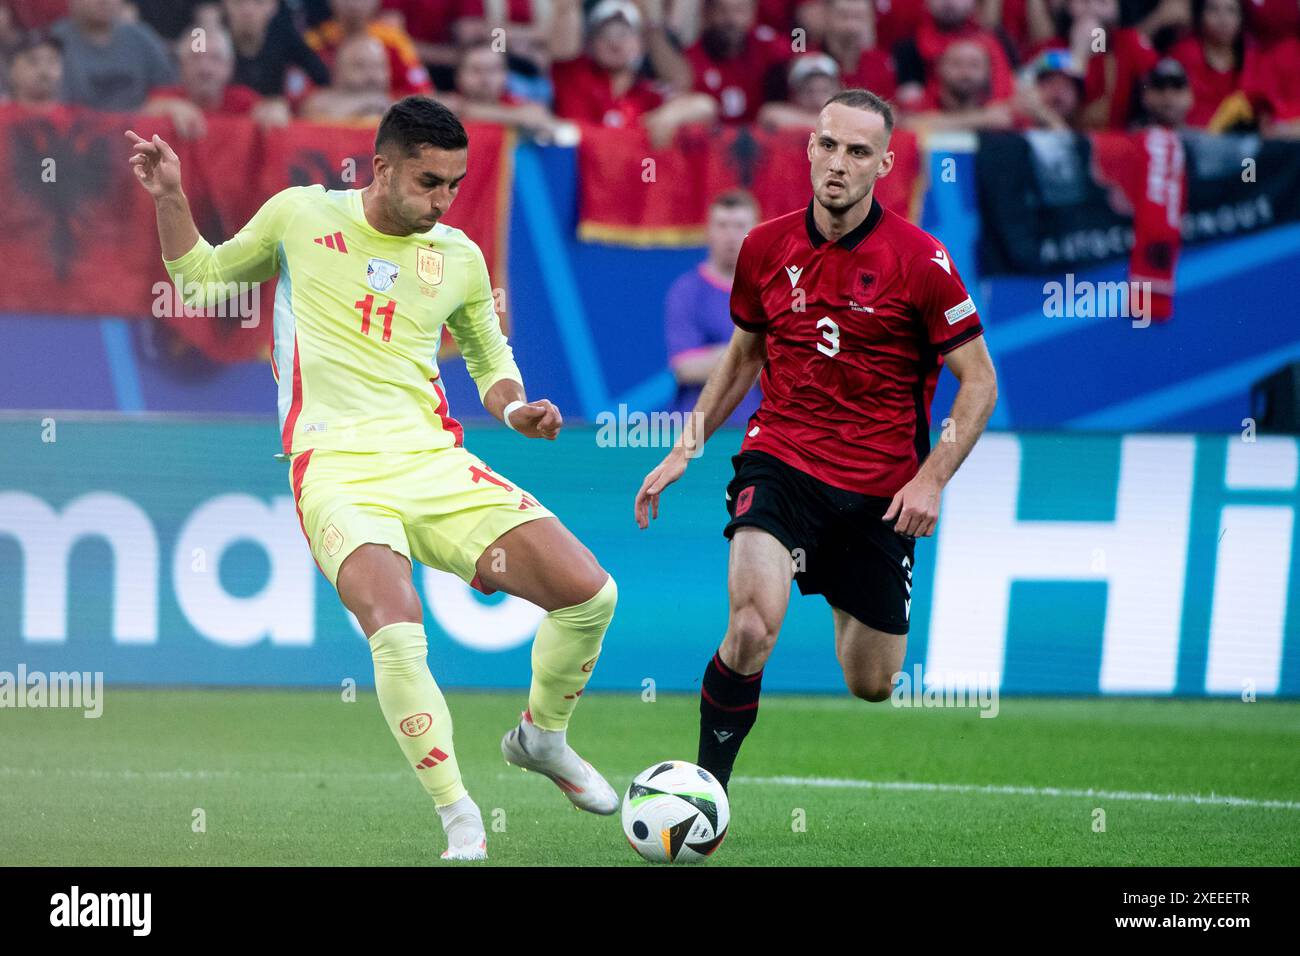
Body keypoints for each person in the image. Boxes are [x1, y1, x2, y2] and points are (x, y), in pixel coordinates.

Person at [126, 96, 621, 861]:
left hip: (432, 460)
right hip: (335, 469)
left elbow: (491, 361)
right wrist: (170, 198)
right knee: (397, 630)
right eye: (429, 182)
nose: (442, 201)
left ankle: (541, 738)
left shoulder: (456, 255)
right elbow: (200, 283)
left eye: (454, 184)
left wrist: (516, 409)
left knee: (590, 593)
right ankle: (460, 817)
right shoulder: (298, 216)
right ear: (382, 166)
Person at [634, 88, 998, 791]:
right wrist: (687, 445)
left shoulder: (921, 261)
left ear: (885, 164)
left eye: (858, 151)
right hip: (782, 462)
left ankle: (837, 577)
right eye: (828, 145)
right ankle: (705, 794)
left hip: (879, 492)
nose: (838, 163)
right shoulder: (765, 247)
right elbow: (742, 355)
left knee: (872, 682)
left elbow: (978, 382)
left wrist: (931, 480)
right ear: (809, 148)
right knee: (748, 628)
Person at [665, 190, 763, 428]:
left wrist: (717, 356)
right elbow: (686, 367)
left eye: (740, 225)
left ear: (758, 231)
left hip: (760, 433)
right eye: (722, 225)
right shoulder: (687, 291)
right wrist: (755, 354)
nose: (731, 235)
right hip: (696, 432)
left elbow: (790, 363)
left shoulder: (774, 290)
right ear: (708, 231)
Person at [144, 28, 286, 138]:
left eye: (215, 58)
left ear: (229, 67)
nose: (205, 68)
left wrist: (274, 109)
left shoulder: (243, 100)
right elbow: (141, 114)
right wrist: (169, 108)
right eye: (195, 58)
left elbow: (268, 111)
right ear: (181, 66)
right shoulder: (165, 98)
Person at [52, 0, 175, 110]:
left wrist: (161, 105)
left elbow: (168, 91)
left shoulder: (141, 38)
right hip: (75, 131)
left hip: (136, 130)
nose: (104, 1)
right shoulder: (55, 42)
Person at [305, 0, 432, 97]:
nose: (354, 4)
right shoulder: (315, 43)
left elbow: (423, 94)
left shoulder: (394, 41)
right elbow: (299, 100)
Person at [300, 31, 392, 120]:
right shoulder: (318, 105)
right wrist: (367, 104)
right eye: (359, 66)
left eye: (378, 66)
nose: (371, 75)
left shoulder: (397, 106)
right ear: (337, 72)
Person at [3, 28, 62, 107]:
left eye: (52, 61)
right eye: (33, 61)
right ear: (12, 70)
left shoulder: (78, 116)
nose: (44, 70)